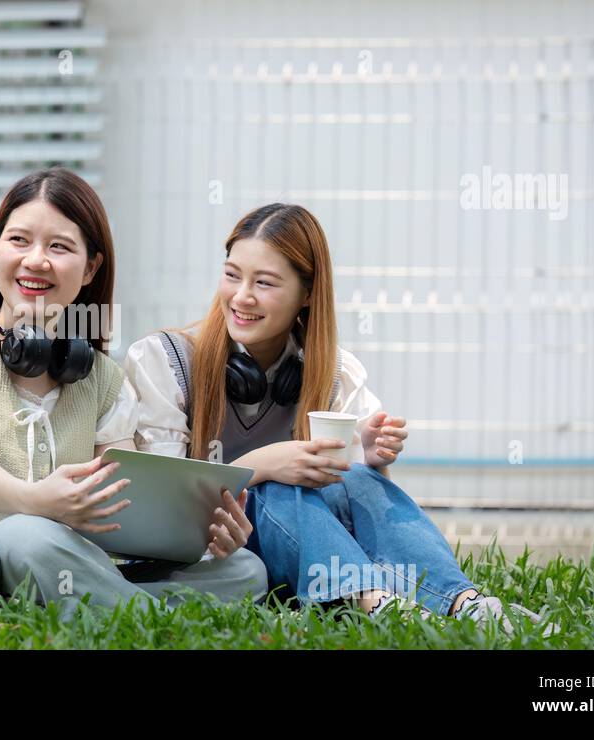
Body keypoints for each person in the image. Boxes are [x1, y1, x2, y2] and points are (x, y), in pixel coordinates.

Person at [124, 202, 556, 635]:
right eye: (232, 274)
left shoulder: (334, 372)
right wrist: (262, 465)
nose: (241, 296)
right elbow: (163, 508)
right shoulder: (166, 359)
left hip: (305, 553)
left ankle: (468, 604)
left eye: (265, 283)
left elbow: (360, 500)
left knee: (358, 479)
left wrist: (371, 455)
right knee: (278, 487)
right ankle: (377, 605)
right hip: (217, 555)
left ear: (307, 294)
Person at [0, 168, 267, 616]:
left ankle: (100, 609)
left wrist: (201, 533)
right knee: (22, 533)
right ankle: (147, 622)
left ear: (90, 268)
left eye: (59, 247)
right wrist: (38, 501)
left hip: (64, 566)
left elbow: (128, 502)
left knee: (244, 570)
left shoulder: (104, 380)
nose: (35, 260)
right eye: (19, 241)